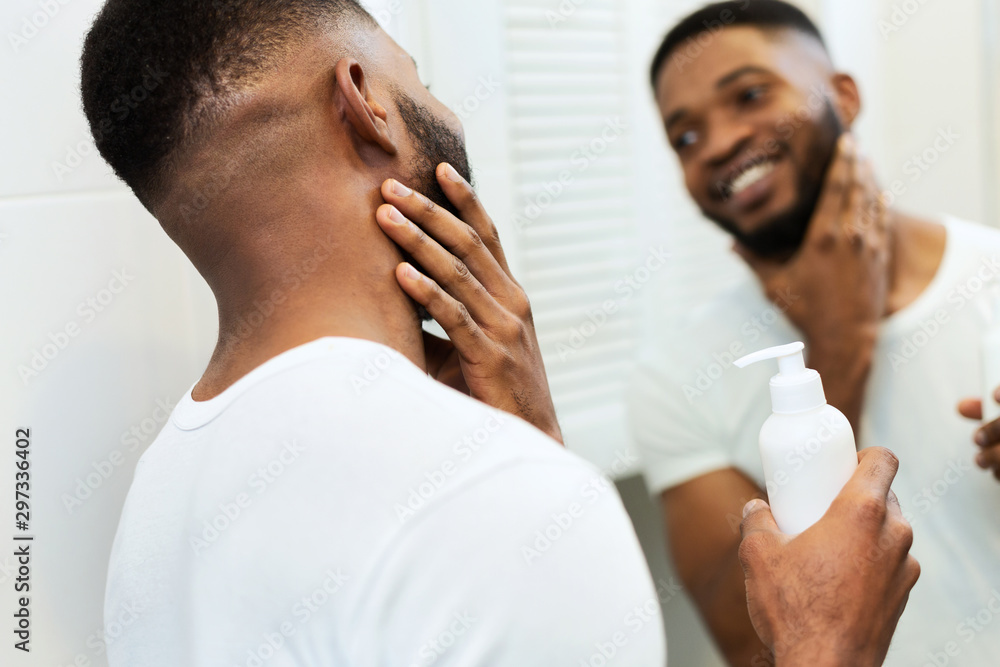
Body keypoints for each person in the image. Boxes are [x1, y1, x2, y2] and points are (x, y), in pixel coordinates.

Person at [81, 1, 916, 665]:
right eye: (422, 78)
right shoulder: (490, 494)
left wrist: (531, 444)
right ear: (366, 102)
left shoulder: (155, 503)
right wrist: (824, 646)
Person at [629, 1, 1000, 665]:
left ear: (843, 95)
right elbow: (753, 649)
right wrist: (836, 346)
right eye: (683, 137)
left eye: (748, 94)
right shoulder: (675, 375)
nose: (715, 145)